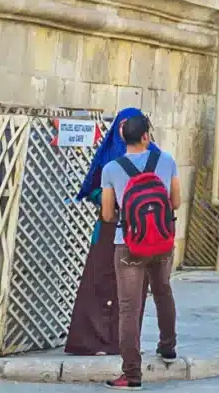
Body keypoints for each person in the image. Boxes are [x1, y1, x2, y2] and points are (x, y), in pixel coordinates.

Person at [97, 113, 179, 389]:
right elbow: (175, 202)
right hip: (162, 242)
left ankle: (131, 374)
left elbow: (108, 214)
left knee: (130, 308)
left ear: (123, 138)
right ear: (147, 136)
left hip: (129, 245)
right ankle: (168, 345)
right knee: (163, 291)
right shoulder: (166, 161)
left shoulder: (111, 168)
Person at [66, 106, 142, 357]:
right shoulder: (107, 156)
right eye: (122, 125)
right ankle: (91, 341)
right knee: (98, 281)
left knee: (129, 287)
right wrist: (108, 197)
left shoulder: (152, 157)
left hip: (138, 231)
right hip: (108, 228)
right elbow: (91, 189)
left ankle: (119, 343)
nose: (125, 130)